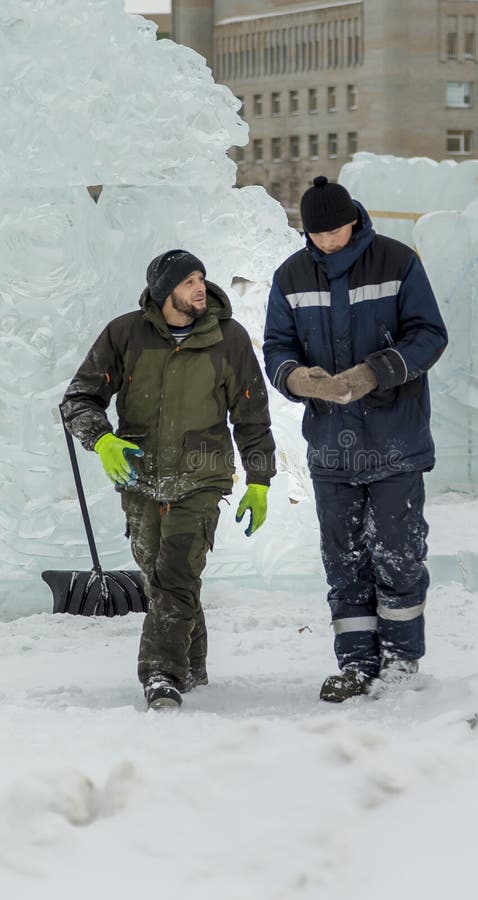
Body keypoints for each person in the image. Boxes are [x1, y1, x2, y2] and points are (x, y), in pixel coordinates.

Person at [61, 250, 276, 709]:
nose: (200, 288)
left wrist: (260, 479)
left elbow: (252, 416)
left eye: (201, 278)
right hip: (140, 480)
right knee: (163, 582)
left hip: (201, 479)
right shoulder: (125, 334)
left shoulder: (229, 338)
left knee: (176, 574)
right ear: (164, 293)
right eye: (188, 282)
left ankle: (162, 675)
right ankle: (192, 666)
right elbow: (78, 399)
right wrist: (102, 440)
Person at [263, 176, 448, 702]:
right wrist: (297, 378)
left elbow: (430, 335)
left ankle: (400, 659)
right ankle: (356, 663)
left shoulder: (397, 261)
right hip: (331, 446)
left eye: (335, 231)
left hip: (395, 440)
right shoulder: (290, 276)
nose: (326, 241)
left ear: (354, 220)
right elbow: (277, 346)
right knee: (343, 560)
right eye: (316, 234)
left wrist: (375, 372)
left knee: (398, 553)